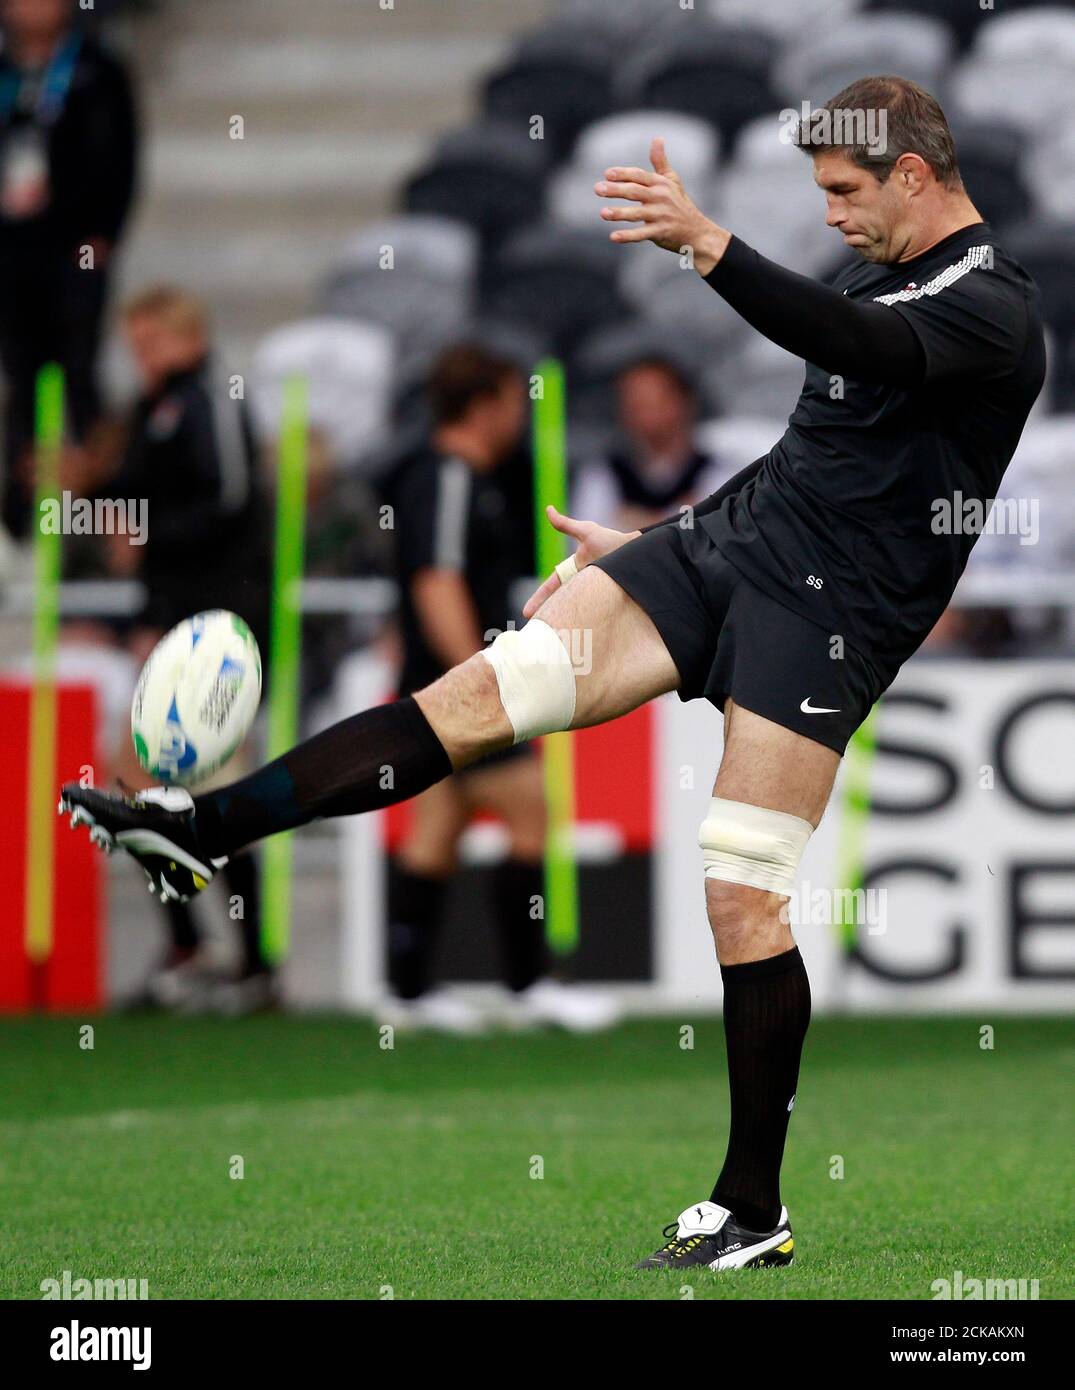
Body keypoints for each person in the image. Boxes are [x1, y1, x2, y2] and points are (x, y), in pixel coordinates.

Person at [61, 76, 1045, 1269]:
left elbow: (865, 350)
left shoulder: (991, 307)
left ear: (910, 174)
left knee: (741, 889)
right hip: (721, 553)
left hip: (829, 612)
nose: (830, 214)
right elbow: (808, 453)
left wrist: (709, 246)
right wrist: (662, 537)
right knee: (472, 701)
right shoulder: (873, 270)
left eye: (843, 191)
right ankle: (202, 827)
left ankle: (751, 1209)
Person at [381, 343, 618, 1033]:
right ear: (483, 405)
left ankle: (407, 994)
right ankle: (526, 985)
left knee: (437, 829)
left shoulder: (451, 476)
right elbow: (436, 581)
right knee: (529, 813)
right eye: (514, 401)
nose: (520, 416)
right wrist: (481, 679)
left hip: (435, 683)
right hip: (460, 683)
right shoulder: (448, 476)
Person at [79, 285, 275, 1013]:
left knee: (209, 789)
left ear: (190, 337)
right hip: (169, 629)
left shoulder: (210, 402)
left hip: (214, 634)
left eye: (154, 341)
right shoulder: (150, 413)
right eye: (136, 344)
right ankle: (198, 945)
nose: (144, 356)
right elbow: (131, 502)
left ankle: (247, 958)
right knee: (138, 783)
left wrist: (143, 537)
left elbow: (227, 497)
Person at [0, 0, 137, 537]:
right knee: (23, 380)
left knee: (79, 376)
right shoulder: (7, 69)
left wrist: (103, 235)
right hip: (13, 251)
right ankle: (21, 518)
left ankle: (98, 512)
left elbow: (122, 157)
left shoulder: (96, 69)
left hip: (74, 250)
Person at [572, 356, 726, 532]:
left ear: (685, 403)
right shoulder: (600, 478)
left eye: (656, 402)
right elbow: (584, 547)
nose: (647, 416)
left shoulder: (722, 477)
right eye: (635, 404)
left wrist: (638, 527)